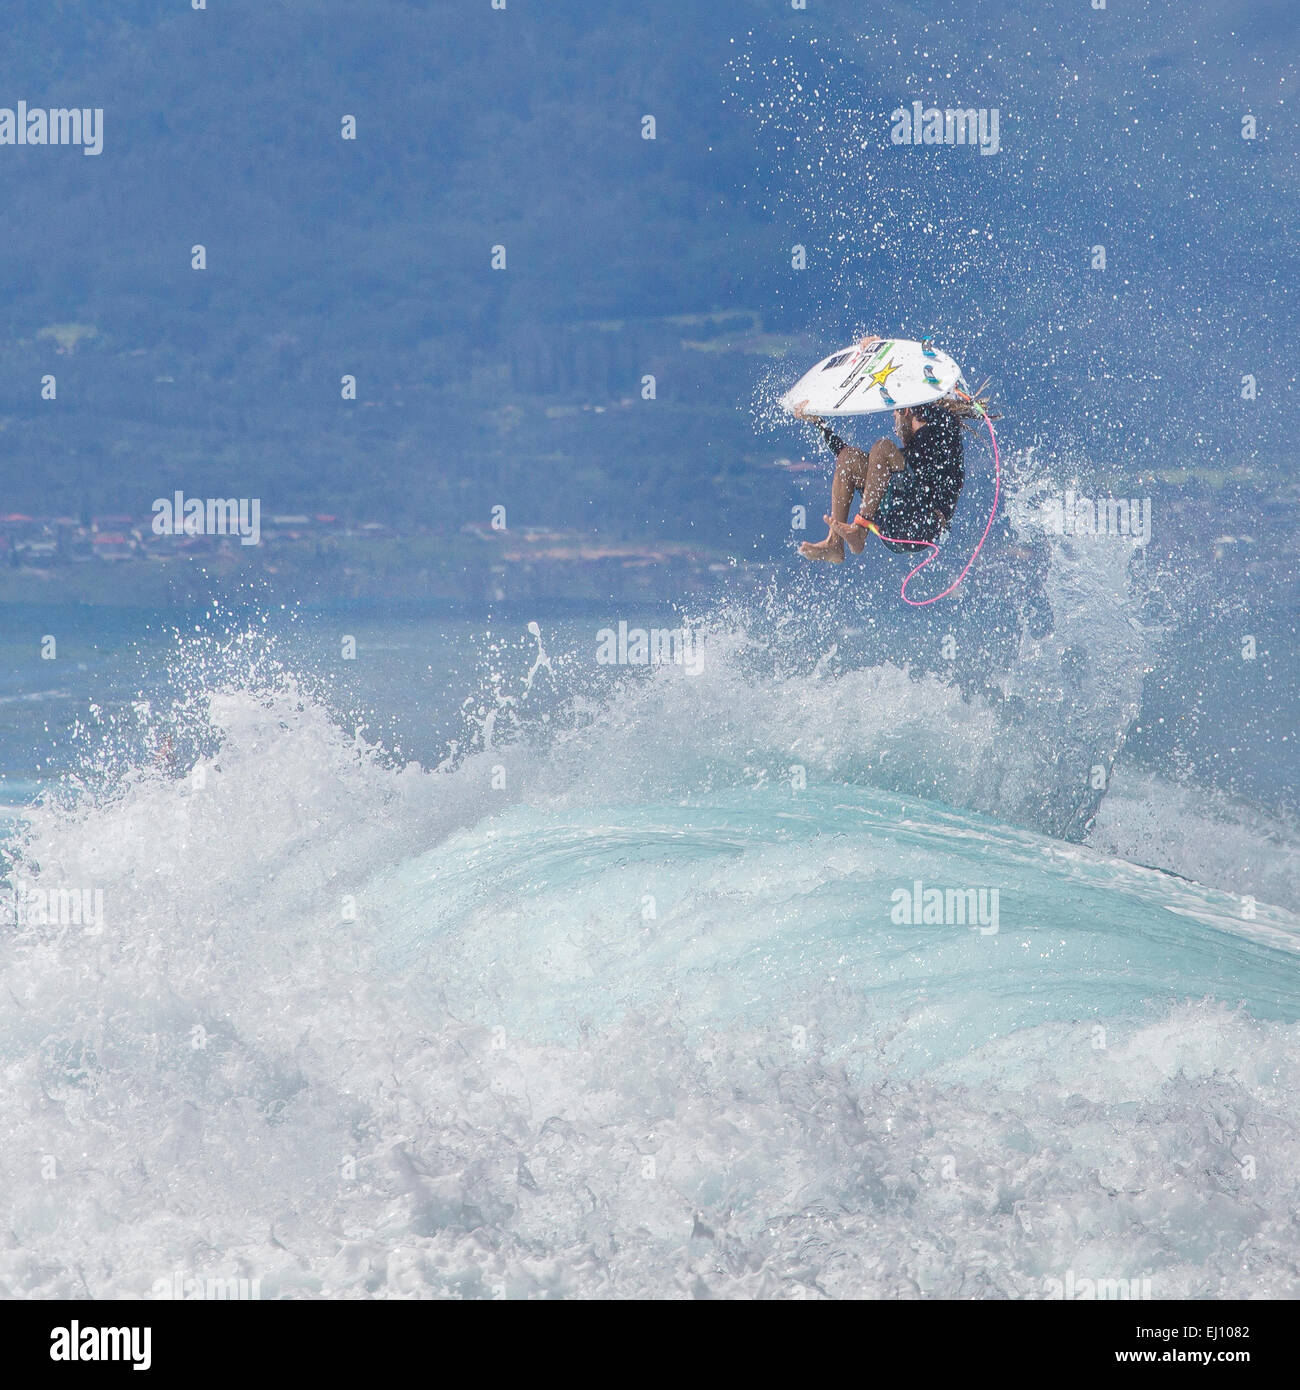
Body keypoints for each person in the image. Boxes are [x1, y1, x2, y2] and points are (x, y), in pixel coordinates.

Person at [795, 336, 965, 563]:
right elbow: (859, 465)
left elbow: (920, 386)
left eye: (895, 413)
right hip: (895, 523)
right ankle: (835, 544)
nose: (894, 424)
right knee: (848, 458)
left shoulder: (943, 430)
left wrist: (884, 353)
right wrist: (818, 423)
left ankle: (860, 529)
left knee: (882, 448)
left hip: (921, 526)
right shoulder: (909, 454)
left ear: (906, 411)